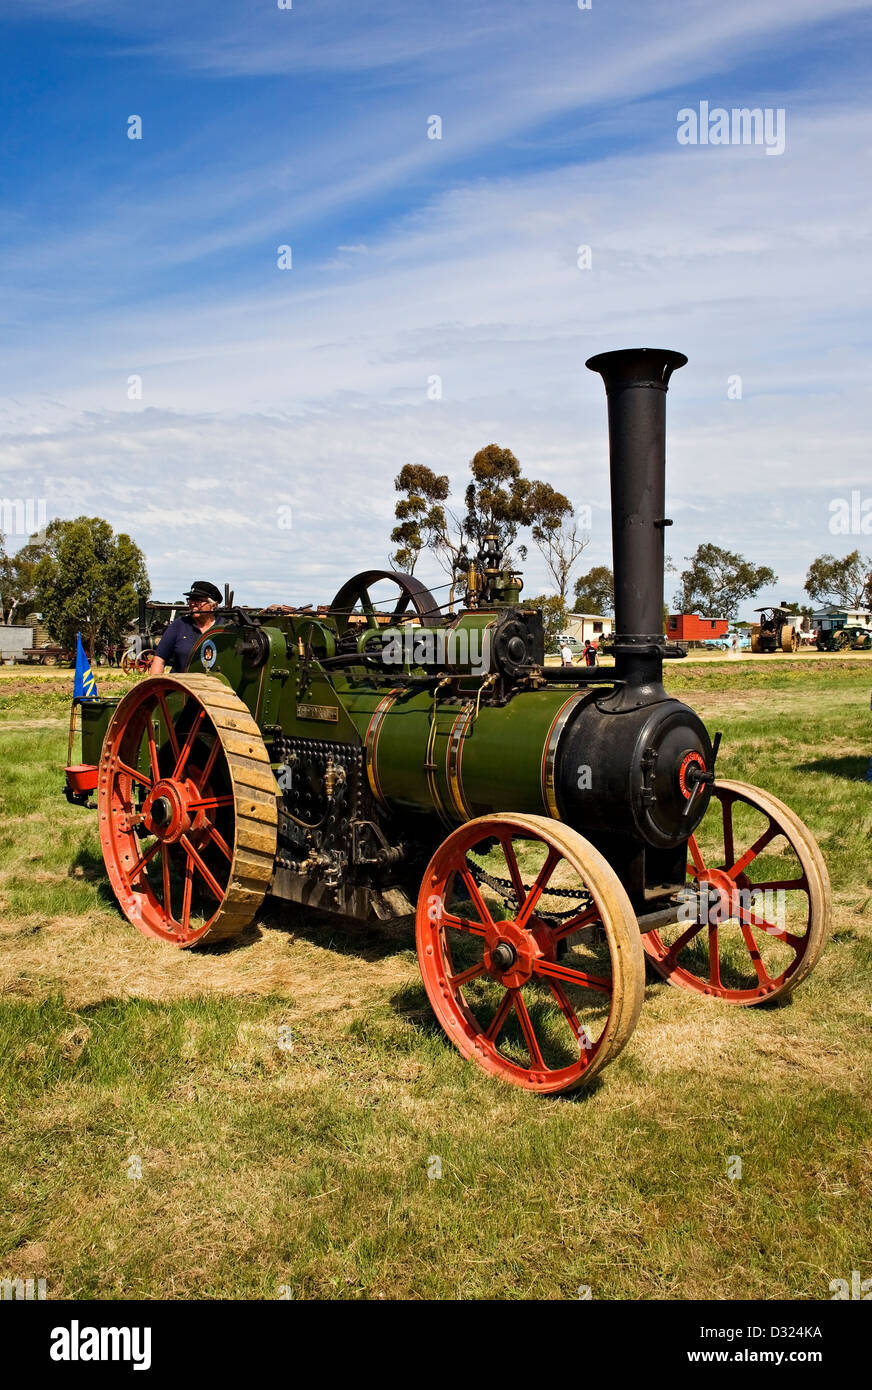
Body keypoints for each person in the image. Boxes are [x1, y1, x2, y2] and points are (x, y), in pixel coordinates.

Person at [150, 580, 223, 675]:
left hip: (218, 688)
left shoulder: (224, 628)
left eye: (199, 600)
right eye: (191, 599)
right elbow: (159, 660)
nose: (192, 604)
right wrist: (156, 688)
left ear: (213, 605)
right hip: (182, 687)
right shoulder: (179, 625)